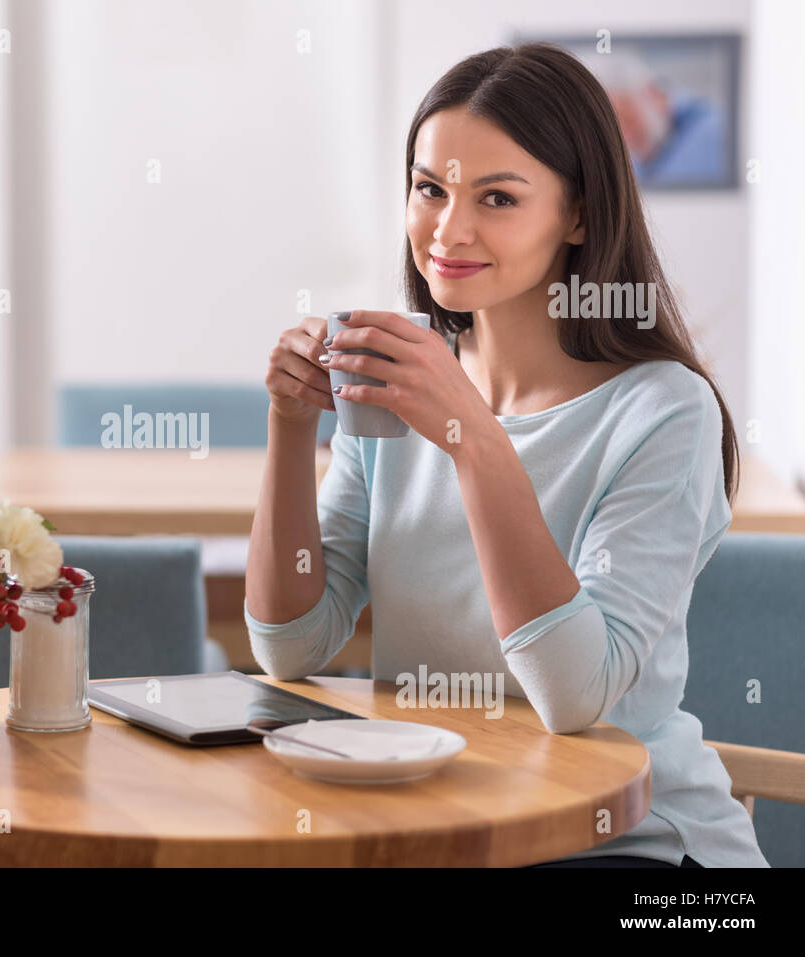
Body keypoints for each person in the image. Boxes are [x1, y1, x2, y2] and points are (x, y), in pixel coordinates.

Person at [244, 42, 768, 868]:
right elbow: (292, 644)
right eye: (430, 189)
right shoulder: (395, 382)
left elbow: (572, 693)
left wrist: (471, 437)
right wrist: (287, 424)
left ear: (582, 216)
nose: (449, 229)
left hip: (634, 844)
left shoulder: (664, 411)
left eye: (497, 197)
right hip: (442, 828)